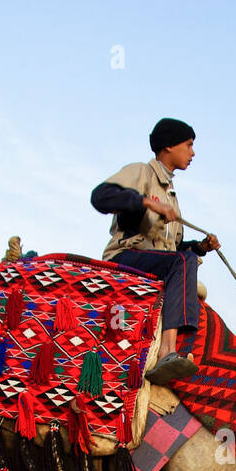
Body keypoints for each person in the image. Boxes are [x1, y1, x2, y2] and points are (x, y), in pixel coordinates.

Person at [90, 118, 221, 384]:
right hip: (125, 256)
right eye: (189, 145)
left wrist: (200, 247)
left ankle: (177, 348)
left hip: (155, 261)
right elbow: (100, 197)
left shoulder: (172, 194)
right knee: (183, 262)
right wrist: (147, 202)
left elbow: (169, 249)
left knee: (187, 258)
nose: (193, 153)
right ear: (170, 146)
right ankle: (167, 351)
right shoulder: (142, 173)